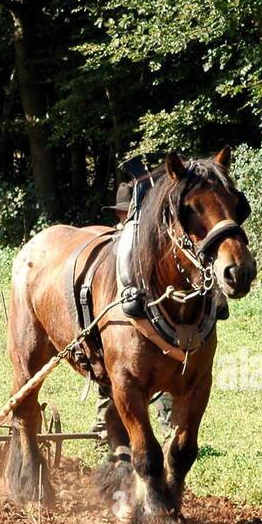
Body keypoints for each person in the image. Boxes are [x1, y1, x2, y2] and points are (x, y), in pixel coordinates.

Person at [91, 177, 173, 455]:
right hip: (115, 329)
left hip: (157, 328)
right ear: (120, 213)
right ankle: (105, 427)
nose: (132, 216)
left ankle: (168, 427)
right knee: (110, 384)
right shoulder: (115, 245)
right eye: (128, 211)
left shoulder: (153, 244)